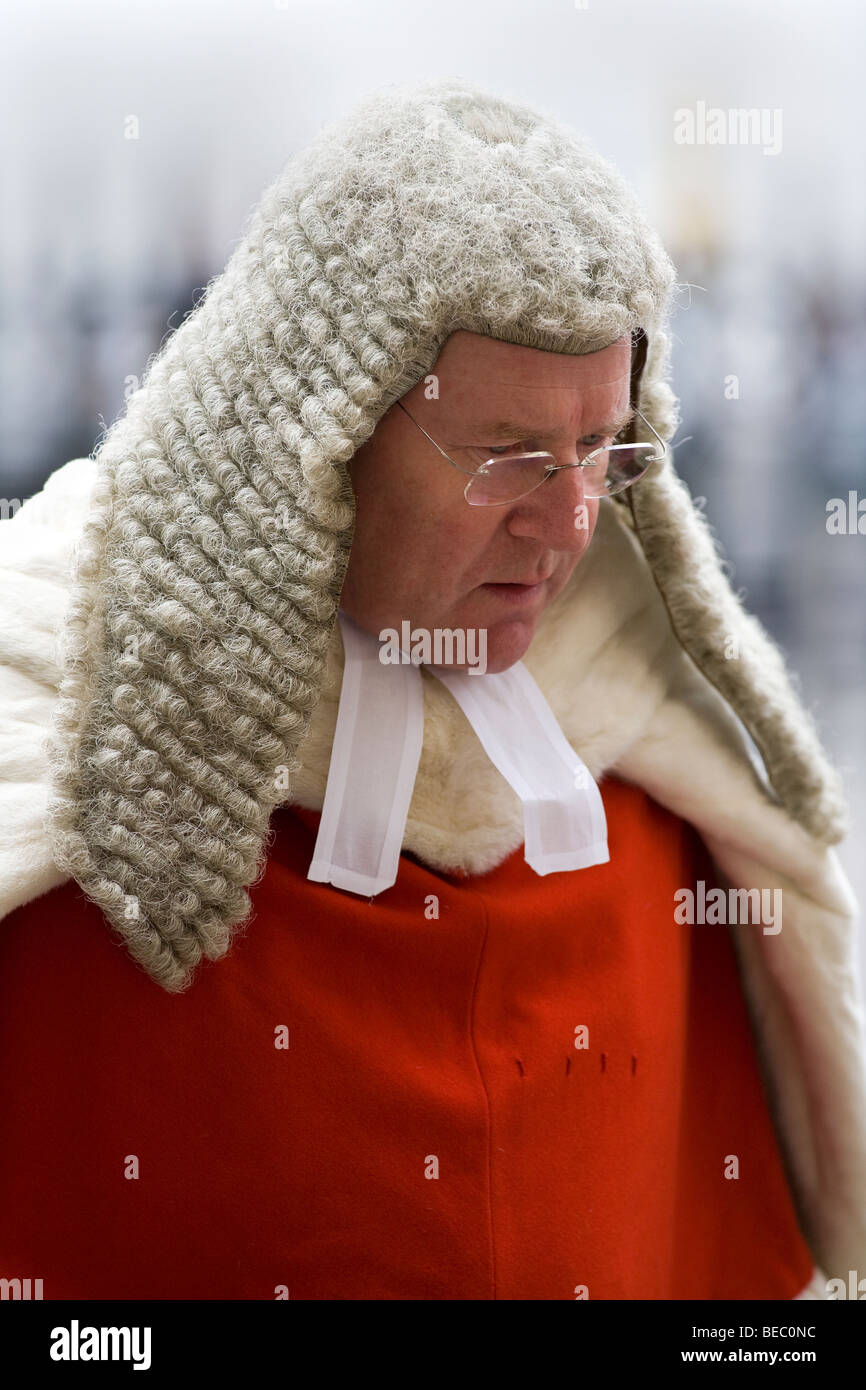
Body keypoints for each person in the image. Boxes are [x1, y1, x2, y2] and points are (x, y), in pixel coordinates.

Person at [0, 75, 864, 1302]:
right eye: (510, 455)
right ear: (320, 433)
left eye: (598, 451)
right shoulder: (51, 739)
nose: (566, 526)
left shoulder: (668, 801)